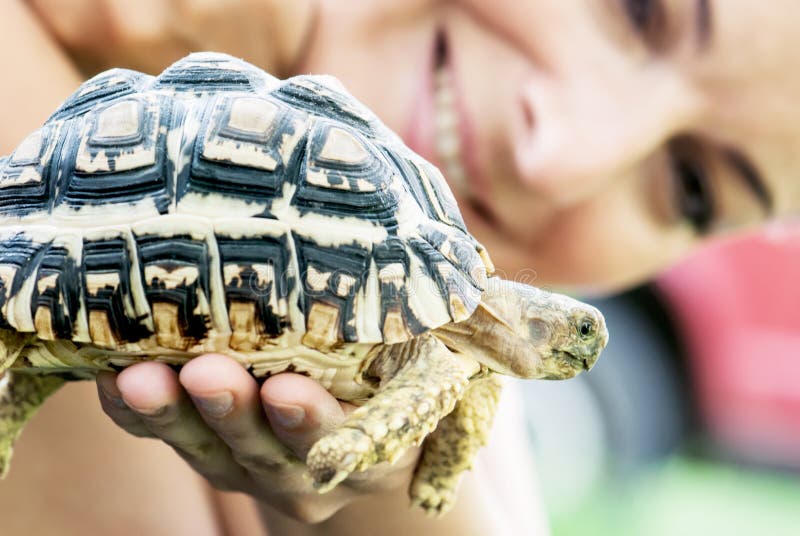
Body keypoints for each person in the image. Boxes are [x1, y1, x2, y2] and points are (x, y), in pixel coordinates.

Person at [1, 0, 798, 534]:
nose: (561, 154)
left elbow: (449, 407)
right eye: (639, 7)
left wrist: (389, 501)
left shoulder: (466, 389)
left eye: (692, 187)